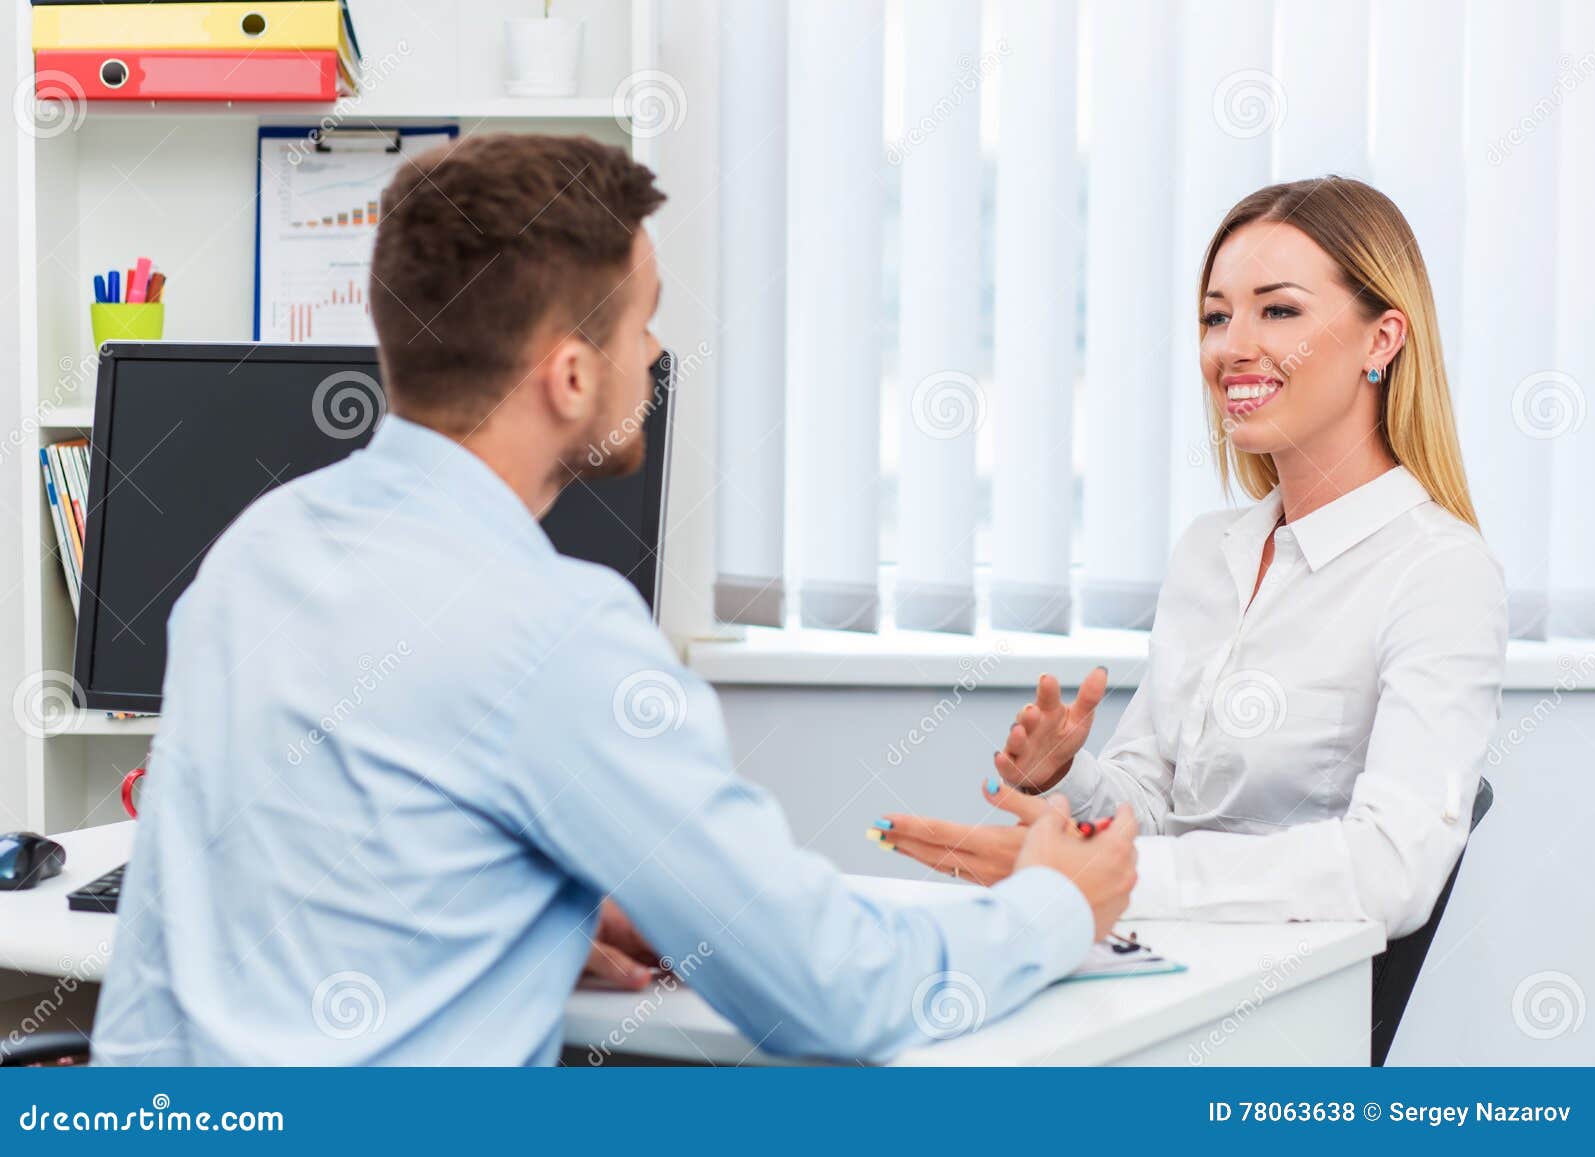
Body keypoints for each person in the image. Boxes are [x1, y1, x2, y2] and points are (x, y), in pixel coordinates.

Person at [90, 134, 1136, 1066]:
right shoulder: (557, 631)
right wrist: (1057, 905)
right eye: (644, 324)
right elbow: (832, 986)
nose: (657, 355)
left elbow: (201, 934)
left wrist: (528, 908)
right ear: (572, 376)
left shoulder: (256, 551)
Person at [881, 177, 1506, 940]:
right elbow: (1154, 804)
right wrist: (1067, 779)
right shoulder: (1210, 551)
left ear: (1382, 339)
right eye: (1216, 316)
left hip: (1283, 988)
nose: (1230, 347)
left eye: (1278, 310)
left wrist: (1110, 874)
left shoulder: (1440, 574)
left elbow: (1392, 869)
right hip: (1157, 950)